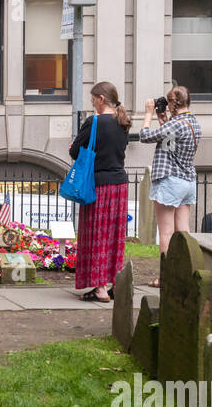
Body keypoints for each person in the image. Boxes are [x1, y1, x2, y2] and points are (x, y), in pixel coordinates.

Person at [70, 81, 132, 303]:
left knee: (97, 234)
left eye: (93, 99)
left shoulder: (93, 122)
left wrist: (74, 147)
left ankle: (100, 288)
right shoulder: (123, 122)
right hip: (120, 185)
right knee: (115, 235)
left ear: (101, 99)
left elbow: (76, 151)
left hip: (98, 184)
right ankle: (116, 282)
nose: (92, 103)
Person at [138, 85, 202, 264]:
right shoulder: (193, 123)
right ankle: (186, 271)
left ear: (174, 103)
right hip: (187, 182)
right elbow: (170, 146)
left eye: (168, 102)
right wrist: (163, 122)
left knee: (166, 232)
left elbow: (145, 136)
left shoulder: (176, 124)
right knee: (183, 233)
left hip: (170, 181)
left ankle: (165, 276)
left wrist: (149, 114)